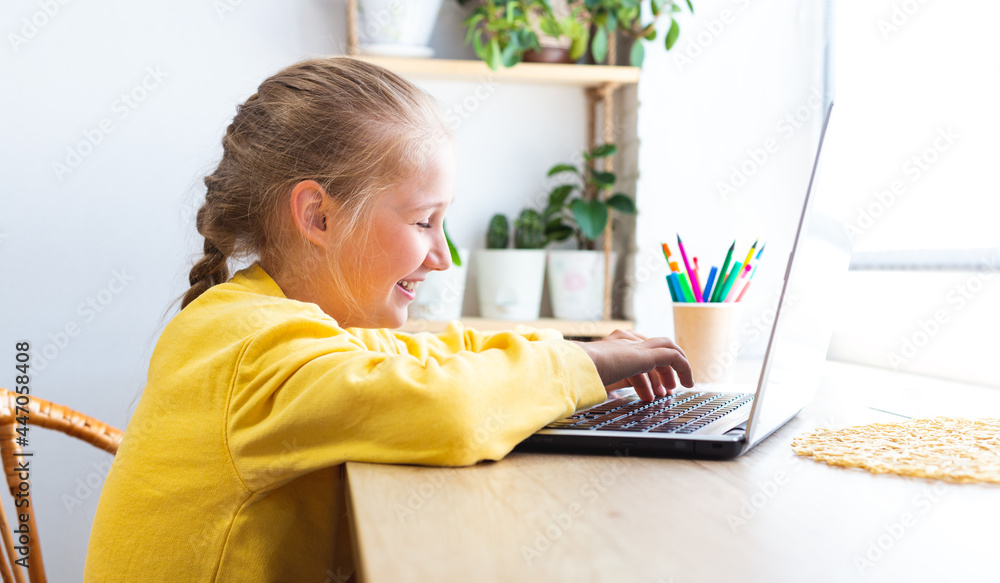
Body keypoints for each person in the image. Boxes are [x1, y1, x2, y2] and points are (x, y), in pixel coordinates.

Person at [84, 57, 692, 582]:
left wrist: (586, 354)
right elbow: (446, 409)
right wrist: (578, 364)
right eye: (424, 220)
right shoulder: (254, 346)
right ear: (318, 216)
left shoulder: (277, 322)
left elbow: (430, 359)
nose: (443, 256)